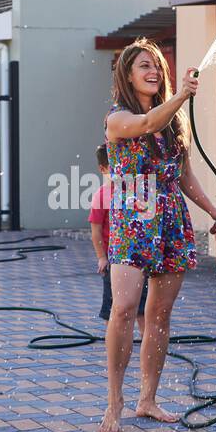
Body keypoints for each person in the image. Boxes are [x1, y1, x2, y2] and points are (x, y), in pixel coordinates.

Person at [101, 38, 216, 432]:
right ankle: (114, 401)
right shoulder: (117, 118)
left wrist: (212, 209)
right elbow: (145, 124)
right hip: (134, 219)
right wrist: (181, 98)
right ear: (127, 74)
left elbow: (184, 174)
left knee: (159, 313)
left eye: (157, 65)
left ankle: (147, 399)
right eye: (144, 66)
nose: (154, 71)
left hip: (171, 220)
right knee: (123, 309)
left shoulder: (174, 122)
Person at [88, 143, 147, 339]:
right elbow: (95, 231)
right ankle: (114, 339)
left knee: (142, 304)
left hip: (137, 257)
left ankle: (147, 337)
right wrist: (101, 257)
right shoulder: (101, 196)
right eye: (113, 167)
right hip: (113, 260)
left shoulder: (135, 192)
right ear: (103, 169)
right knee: (113, 303)